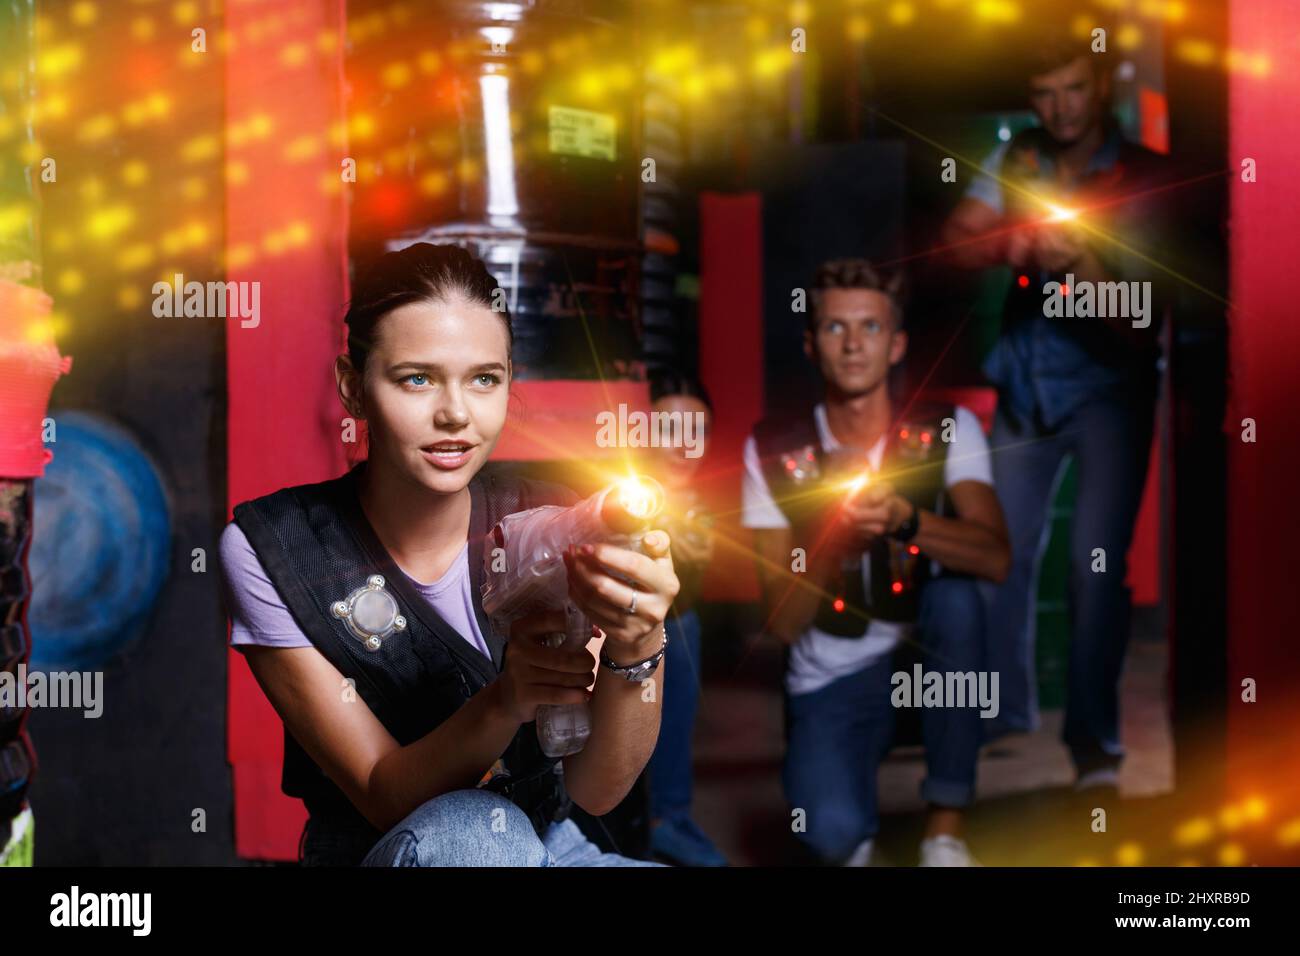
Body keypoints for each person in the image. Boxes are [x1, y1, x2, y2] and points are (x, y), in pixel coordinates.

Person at [217, 242, 679, 866]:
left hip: (549, 844)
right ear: (353, 389)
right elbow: (382, 793)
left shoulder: (548, 524)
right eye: (417, 379)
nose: (456, 414)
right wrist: (506, 701)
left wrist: (638, 644)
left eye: (484, 379)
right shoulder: (278, 547)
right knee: (478, 835)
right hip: (399, 848)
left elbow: (597, 791)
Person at [941, 28, 1172, 792]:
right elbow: (954, 244)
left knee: (1093, 573)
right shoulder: (1016, 158)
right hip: (1025, 387)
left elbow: (1141, 322)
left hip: (1109, 393)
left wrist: (1085, 262)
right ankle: (1001, 714)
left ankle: (1095, 753)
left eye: (1075, 88)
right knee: (995, 554)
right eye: (1045, 93)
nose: (1061, 107)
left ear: (1100, 85)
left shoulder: (1142, 176)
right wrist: (1014, 241)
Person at [742, 258, 1010, 866]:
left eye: (870, 327)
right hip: (833, 673)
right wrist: (831, 533)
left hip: (930, 665)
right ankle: (850, 812)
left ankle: (945, 830)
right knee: (829, 835)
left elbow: (996, 557)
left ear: (896, 345)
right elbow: (782, 624)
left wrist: (905, 520)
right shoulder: (773, 447)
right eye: (836, 328)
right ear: (811, 344)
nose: (854, 343)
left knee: (959, 599)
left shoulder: (947, 428)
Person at [641, 372, 727, 867]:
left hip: (680, 628)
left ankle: (669, 815)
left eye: (698, 431)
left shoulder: (706, 502)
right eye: (667, 427)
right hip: (602, 636)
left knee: (684, 629)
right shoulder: (612, 492)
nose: (683, 445)